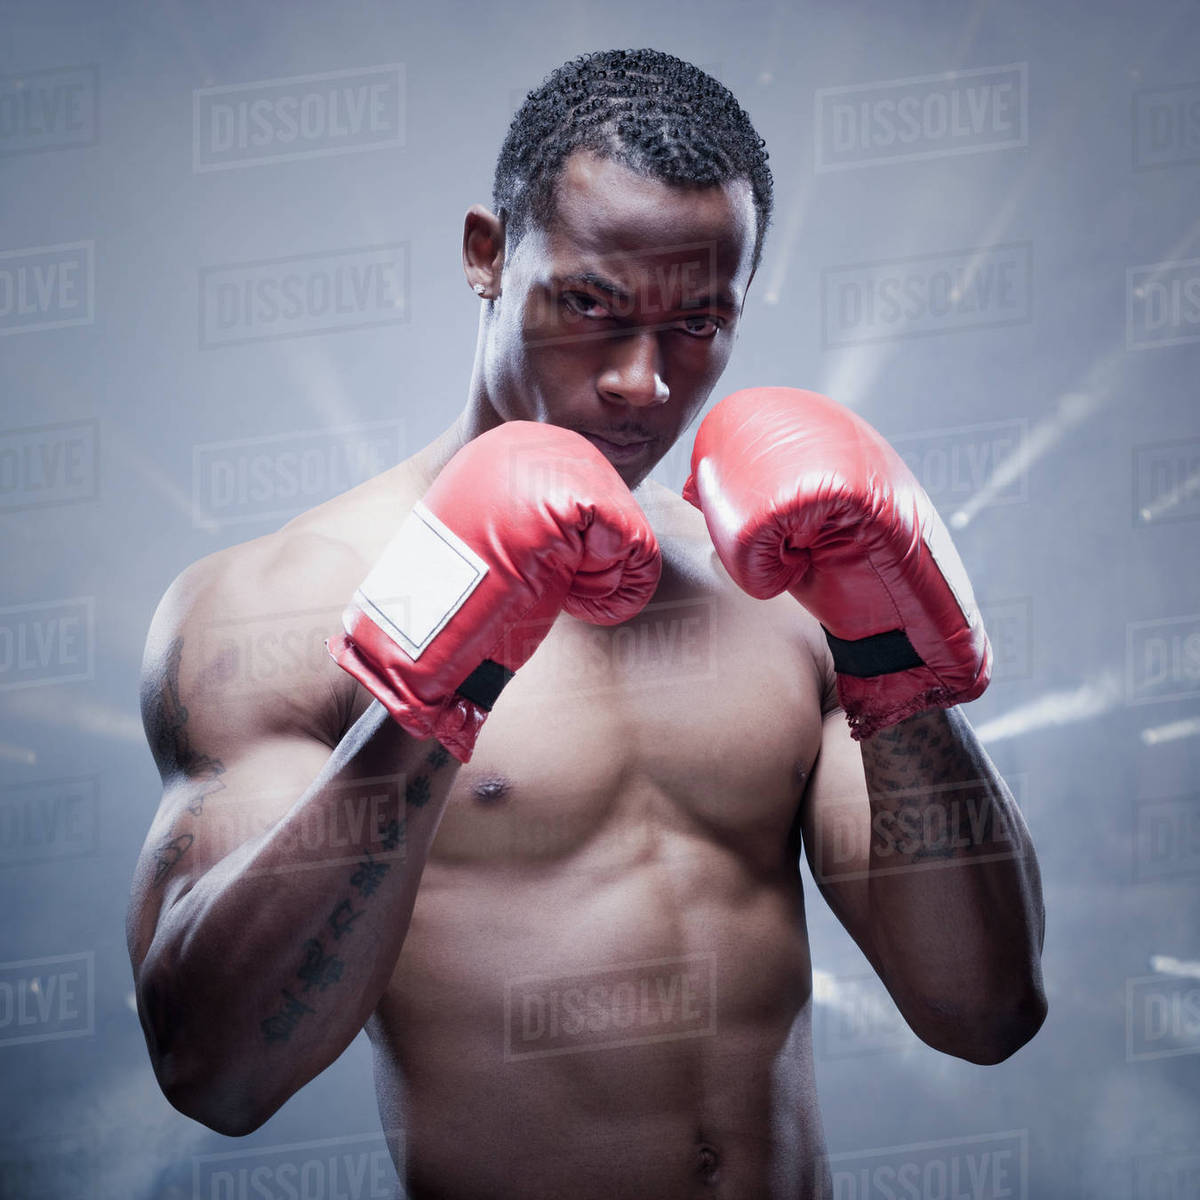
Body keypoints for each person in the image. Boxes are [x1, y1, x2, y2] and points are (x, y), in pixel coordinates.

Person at [127, 48, 1046, 1200]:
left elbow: (987, 1009)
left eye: (700, 323)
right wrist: (430, 692)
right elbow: (215, 1069)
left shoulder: (780, 583)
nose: (644, 384)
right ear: (487, 256)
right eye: (592, 303)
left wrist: (889, 658)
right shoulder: (274, 608)